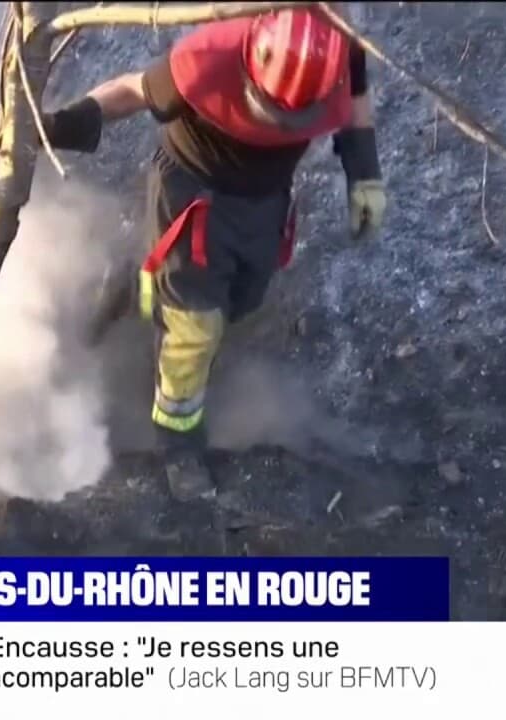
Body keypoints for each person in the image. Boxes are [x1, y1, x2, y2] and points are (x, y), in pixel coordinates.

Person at [41, 7, 387, 500]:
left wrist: (364, 172)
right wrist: (62, 124)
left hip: (264, 198)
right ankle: (177, 441)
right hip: (192, 190)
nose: (287, 122)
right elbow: (133, 91)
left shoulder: (336, 46)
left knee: (239, 302)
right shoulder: (209, 57)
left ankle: (137, 281)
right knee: (195, 327)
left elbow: (355, 100)